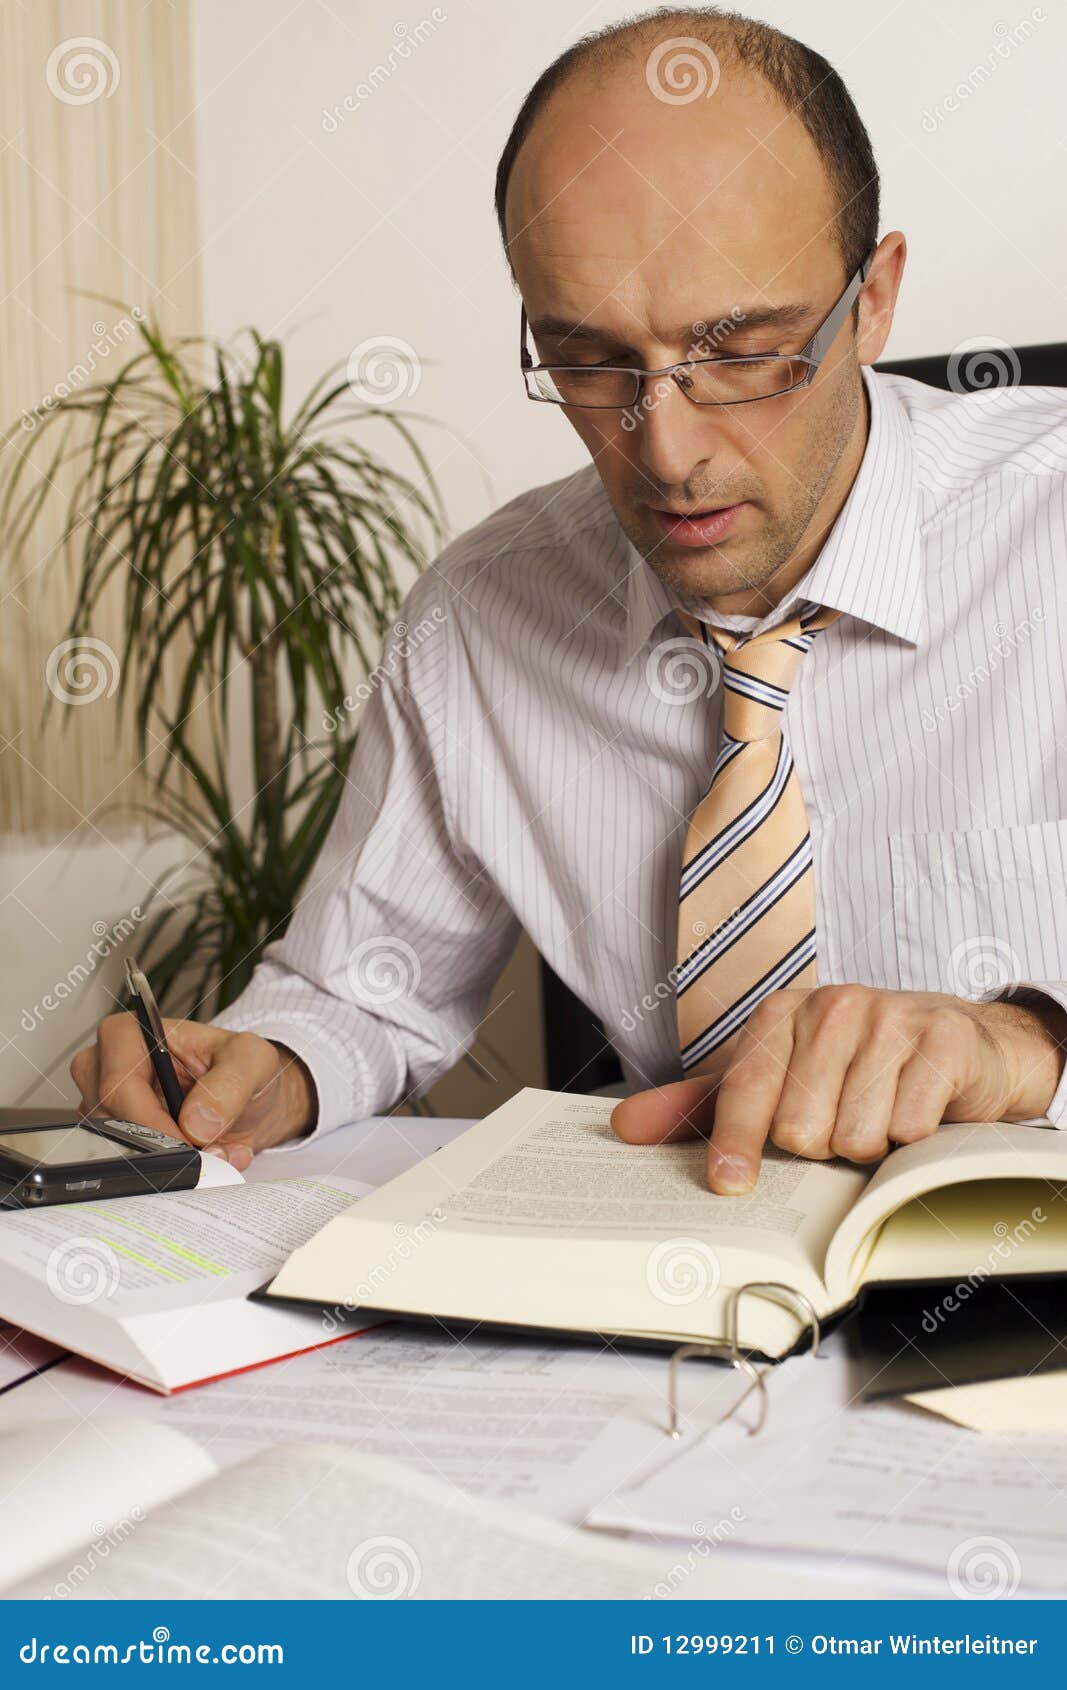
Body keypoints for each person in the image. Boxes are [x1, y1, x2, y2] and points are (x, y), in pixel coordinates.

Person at [74, 6, 1067, 1194]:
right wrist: (269, 1065)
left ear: (873, 300)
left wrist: (1032, 1049)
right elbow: (357, 989)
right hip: (680, 1288)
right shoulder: (484, 612)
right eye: (591, 360)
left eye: (741, 350)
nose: (665, 448)